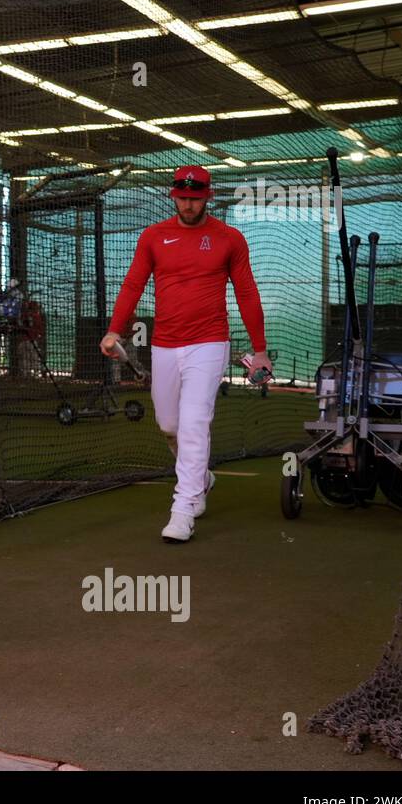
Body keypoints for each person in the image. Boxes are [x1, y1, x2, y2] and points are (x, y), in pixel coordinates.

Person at [100, 166, 271, 543]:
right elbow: (133, 284)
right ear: (172, 195)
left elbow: (247, 293)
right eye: (183, 197)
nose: (189, 204)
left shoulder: (230, 239)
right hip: (165, 344)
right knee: (169, 426)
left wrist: (259, 351)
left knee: (195, 421)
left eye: (196, 198)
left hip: (209, 343)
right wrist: (115, 329)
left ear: (208, 197)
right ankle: (201, 478)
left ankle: (183, 508)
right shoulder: (153, 237)